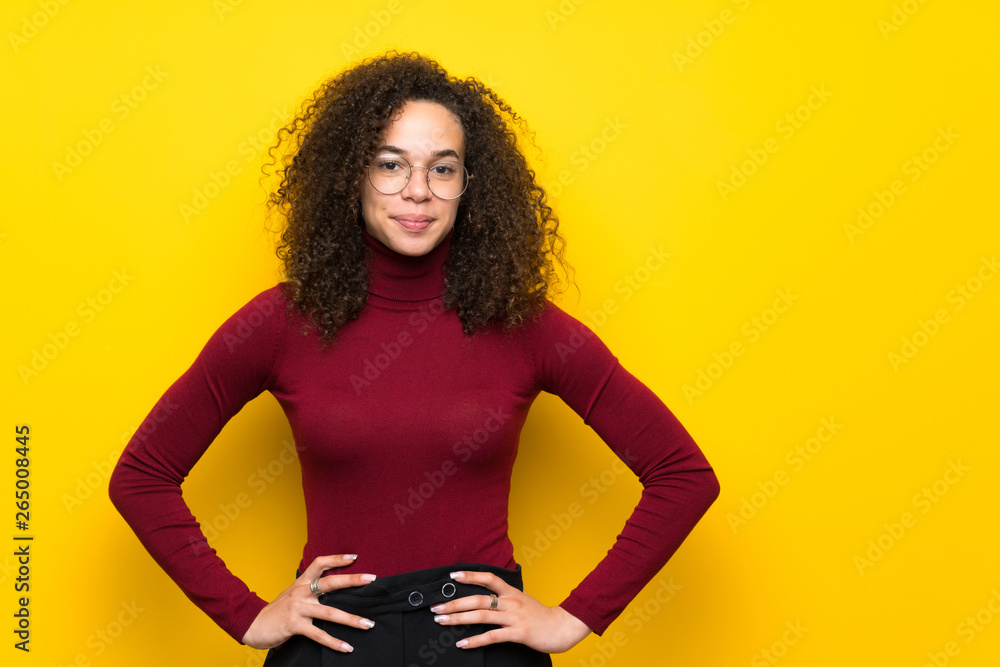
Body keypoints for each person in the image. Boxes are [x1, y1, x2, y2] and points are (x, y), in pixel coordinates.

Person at [108, 50, 720, 666]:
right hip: (334, 644)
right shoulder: (278, 324)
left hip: (478, 647)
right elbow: (142, 476)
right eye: (389, 164)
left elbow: (682, 475)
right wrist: (246, 615)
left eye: (443, 168)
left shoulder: (526, 325)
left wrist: (572, 618)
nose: (418, 192)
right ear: (351, 174)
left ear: (468, 184)